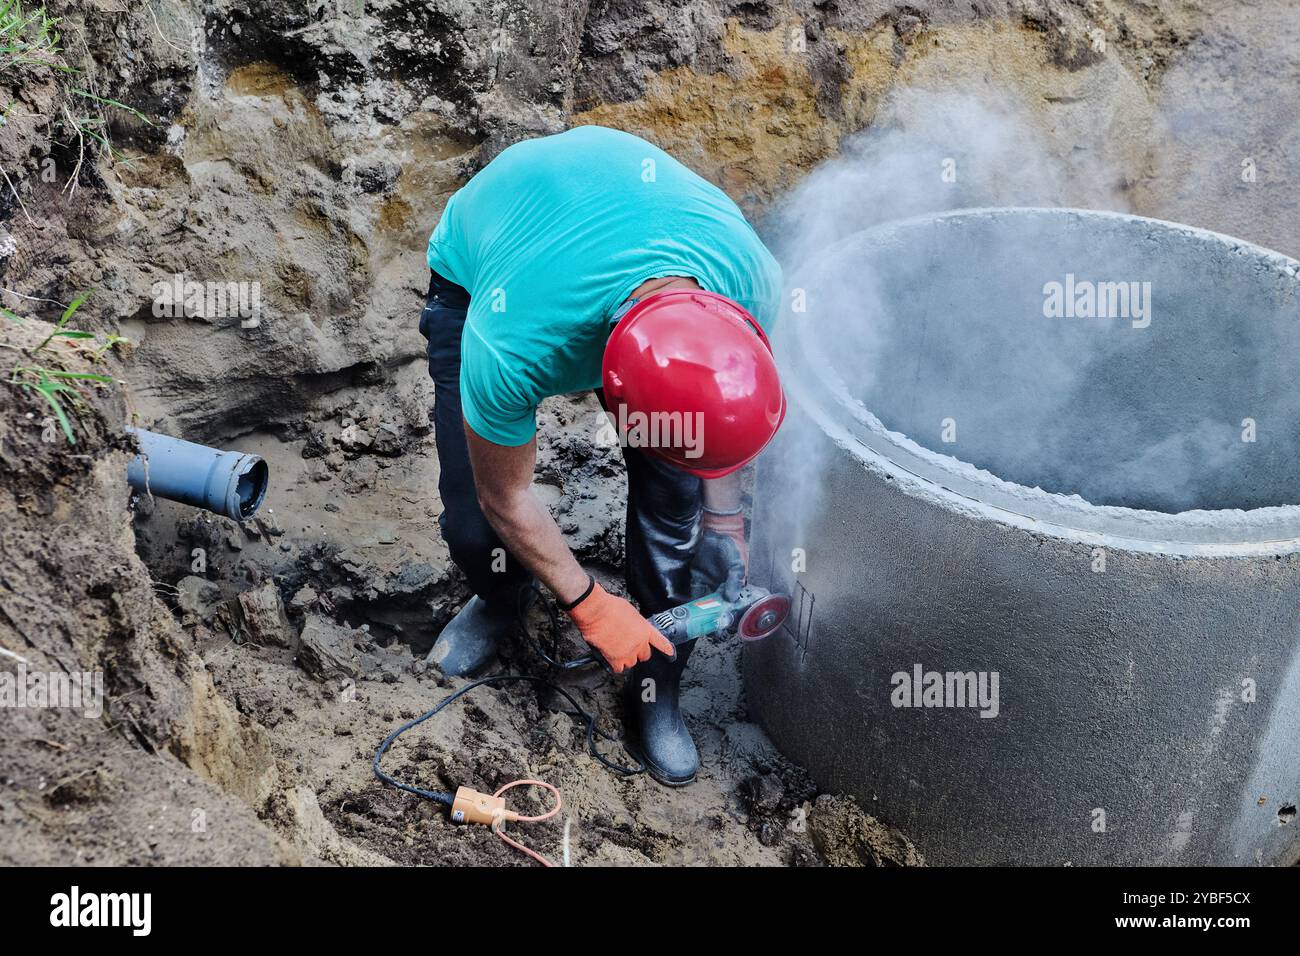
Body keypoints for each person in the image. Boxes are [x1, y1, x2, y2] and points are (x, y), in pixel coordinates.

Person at [417, 125, 784, 785]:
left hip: (617, 214)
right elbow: (508, 497)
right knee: (474, 522)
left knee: (680, 518)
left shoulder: (752, 285)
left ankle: (657, 686)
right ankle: (501, 597)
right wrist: (588, 604)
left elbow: (729, 418)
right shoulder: (514, 339)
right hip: (492, 256)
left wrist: (725, 521)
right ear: (616, 402)